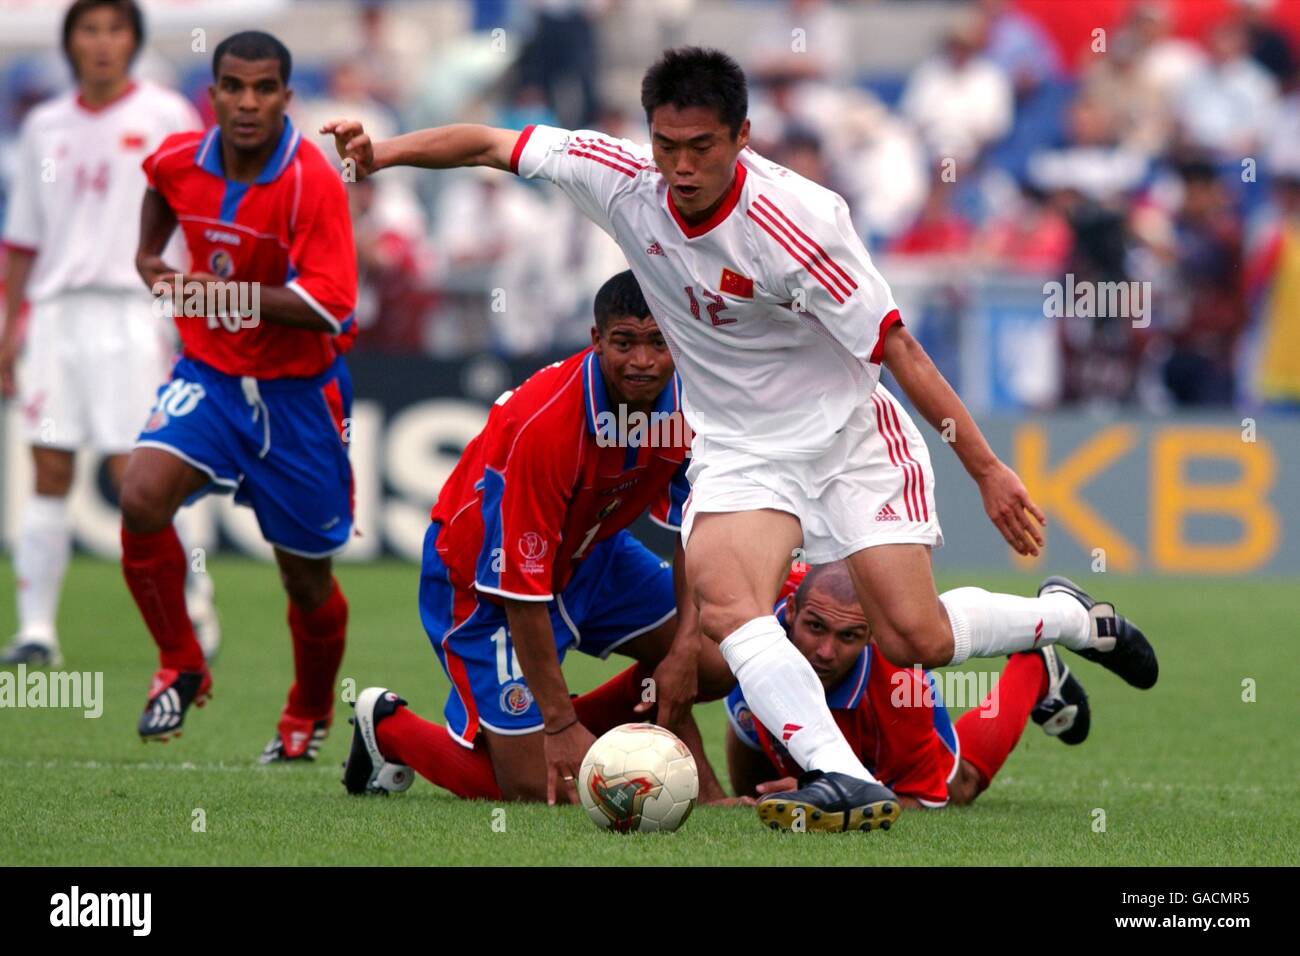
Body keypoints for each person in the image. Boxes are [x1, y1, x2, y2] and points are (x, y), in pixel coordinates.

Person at [324, 46, 1157, 833]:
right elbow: (490, 143)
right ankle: (844, 779)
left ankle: (1066, 621)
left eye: (702, 148)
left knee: (917, 639)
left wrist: (987, 469)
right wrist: (384, 150)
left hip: (847, 436)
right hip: (740, 447)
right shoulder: (620, 180)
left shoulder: (801, 221)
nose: (680, 168)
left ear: (743, 138)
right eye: (666, 145)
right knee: (728, 610)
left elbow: (896, 346)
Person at [343, 271, 734, 804]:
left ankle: (561, 721)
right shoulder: (547, 425)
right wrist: (558, 724)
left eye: (658, 342)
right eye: (624, 343)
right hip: (484, 587)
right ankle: (388, 727)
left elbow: (700, 525)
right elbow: (519, 588)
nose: (642, 361)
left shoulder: (693, 402)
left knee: (715, 660)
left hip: (595, 555)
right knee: (535, 789)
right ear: (596, 341)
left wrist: (685, 645)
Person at [121, 31, 358, 762]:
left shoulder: (309, 179)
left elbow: (333, 306)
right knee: (140, 498)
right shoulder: (181, 158)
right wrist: (149, 259)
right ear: (214, 92)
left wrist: (221, 293)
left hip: (297, 398)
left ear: (287, 96)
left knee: (306, 579)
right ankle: (182, 661)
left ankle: (307, 713)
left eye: (263, 89)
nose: (247, 102)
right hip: (211, 377)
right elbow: (159, 184)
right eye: (233, 86)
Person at [0, 0, 215, 667]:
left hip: (134, 310)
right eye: (88, 30)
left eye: (114, 30)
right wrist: (9, 328)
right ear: (70, 44)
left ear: (132, 41)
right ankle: (36, 632)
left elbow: (201, 214)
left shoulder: (165, 116)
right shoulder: (44, 125)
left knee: (139, 474)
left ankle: (193, 602)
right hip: (58, 311)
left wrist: (197, 308)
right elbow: (24, 238)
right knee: (48, 465)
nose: (101, 43)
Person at [726, 562, 1095, 815]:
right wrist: (715, 797)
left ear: (870, 636)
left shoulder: (903, 691)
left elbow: (922, 799)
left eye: (848, 636)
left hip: (896, 706)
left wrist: (818, 792)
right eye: (816, 627)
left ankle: (1034, 666)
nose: (825, 651)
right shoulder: (753, 633)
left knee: (959, 786)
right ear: (790, 610)